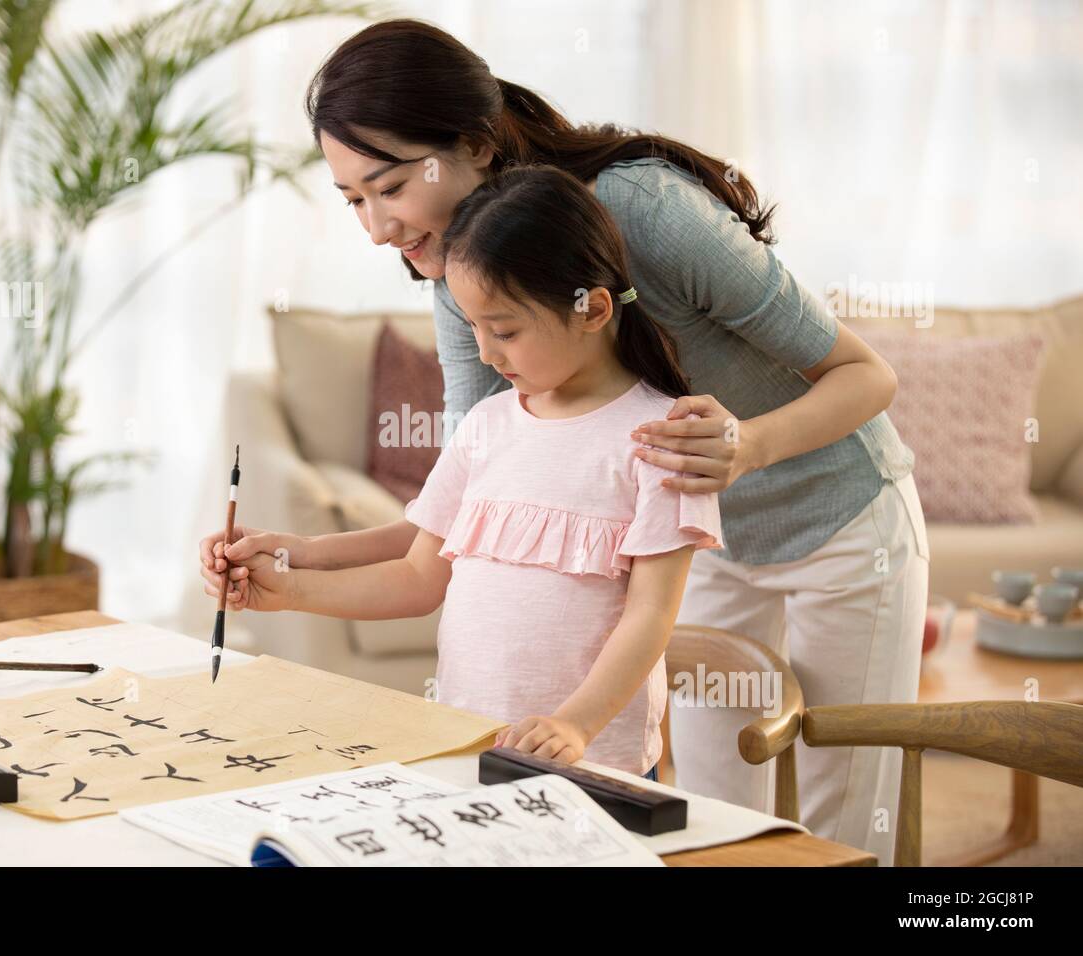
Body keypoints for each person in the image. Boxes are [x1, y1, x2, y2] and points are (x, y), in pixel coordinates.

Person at [202, 20, 927, 863]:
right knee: (720, 816)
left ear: (470, 146)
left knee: (840, 815)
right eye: (352, 199)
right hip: (699, 543)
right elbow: (473, 497)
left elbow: (867, 376)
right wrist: (298, 561)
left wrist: (747, 447)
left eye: (389, 188)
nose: (375, 228)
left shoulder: (644, 211)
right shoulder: (460, 279)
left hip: (840, 519)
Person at [210, 165, 723, 779]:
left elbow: (650, 617)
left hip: (590, 759)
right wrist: (293, 571)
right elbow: (417, 569)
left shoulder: (661, 440)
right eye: (473, 326)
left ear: (593, 310)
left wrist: (575, 723)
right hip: (466, 743)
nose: (484, 351)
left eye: (504, 329)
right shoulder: (488, 423)